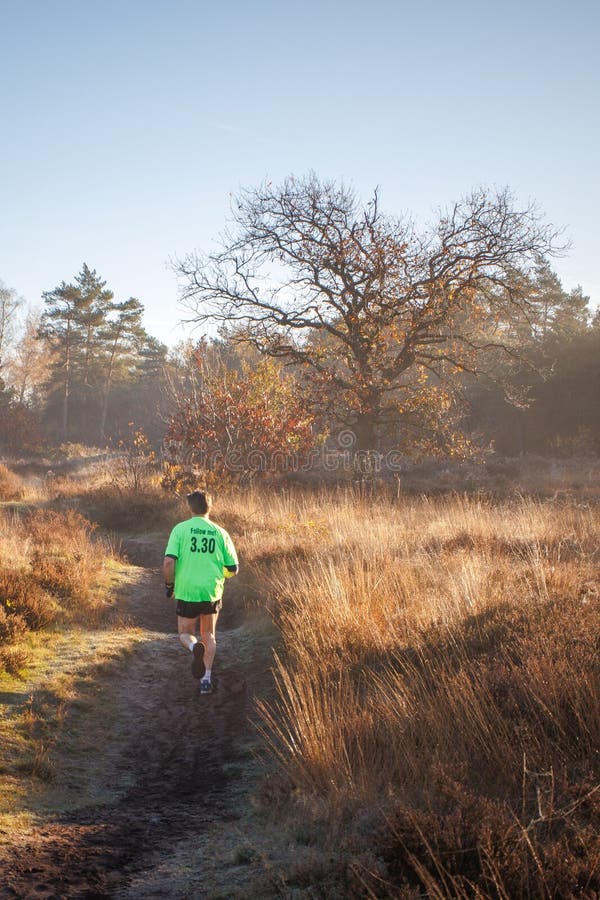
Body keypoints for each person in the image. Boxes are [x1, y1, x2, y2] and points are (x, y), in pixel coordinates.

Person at [163, 490, 238, 694]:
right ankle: (206, 679)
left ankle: (193, 647)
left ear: (190, 507)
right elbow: (232, 568)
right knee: (210, 635)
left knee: (185, 633)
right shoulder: (221, 533)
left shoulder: (180, 530)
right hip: (211, 590)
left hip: (187, 590)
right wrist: (220, 576)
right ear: (209, 507)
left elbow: (169, 562)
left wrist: (169, 585)